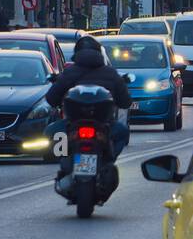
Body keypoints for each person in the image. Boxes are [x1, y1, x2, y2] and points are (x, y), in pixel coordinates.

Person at [46, 35, 132, 195]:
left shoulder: (69, 73)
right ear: (99, 53)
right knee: (122, 133)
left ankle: (64, 159)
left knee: (52, 132)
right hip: (104, 125)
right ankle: (108, 159)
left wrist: (62, 157)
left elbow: (51, 98)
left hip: (73, 125)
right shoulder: (111, 73)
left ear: (77, 53)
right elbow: (125, 102)